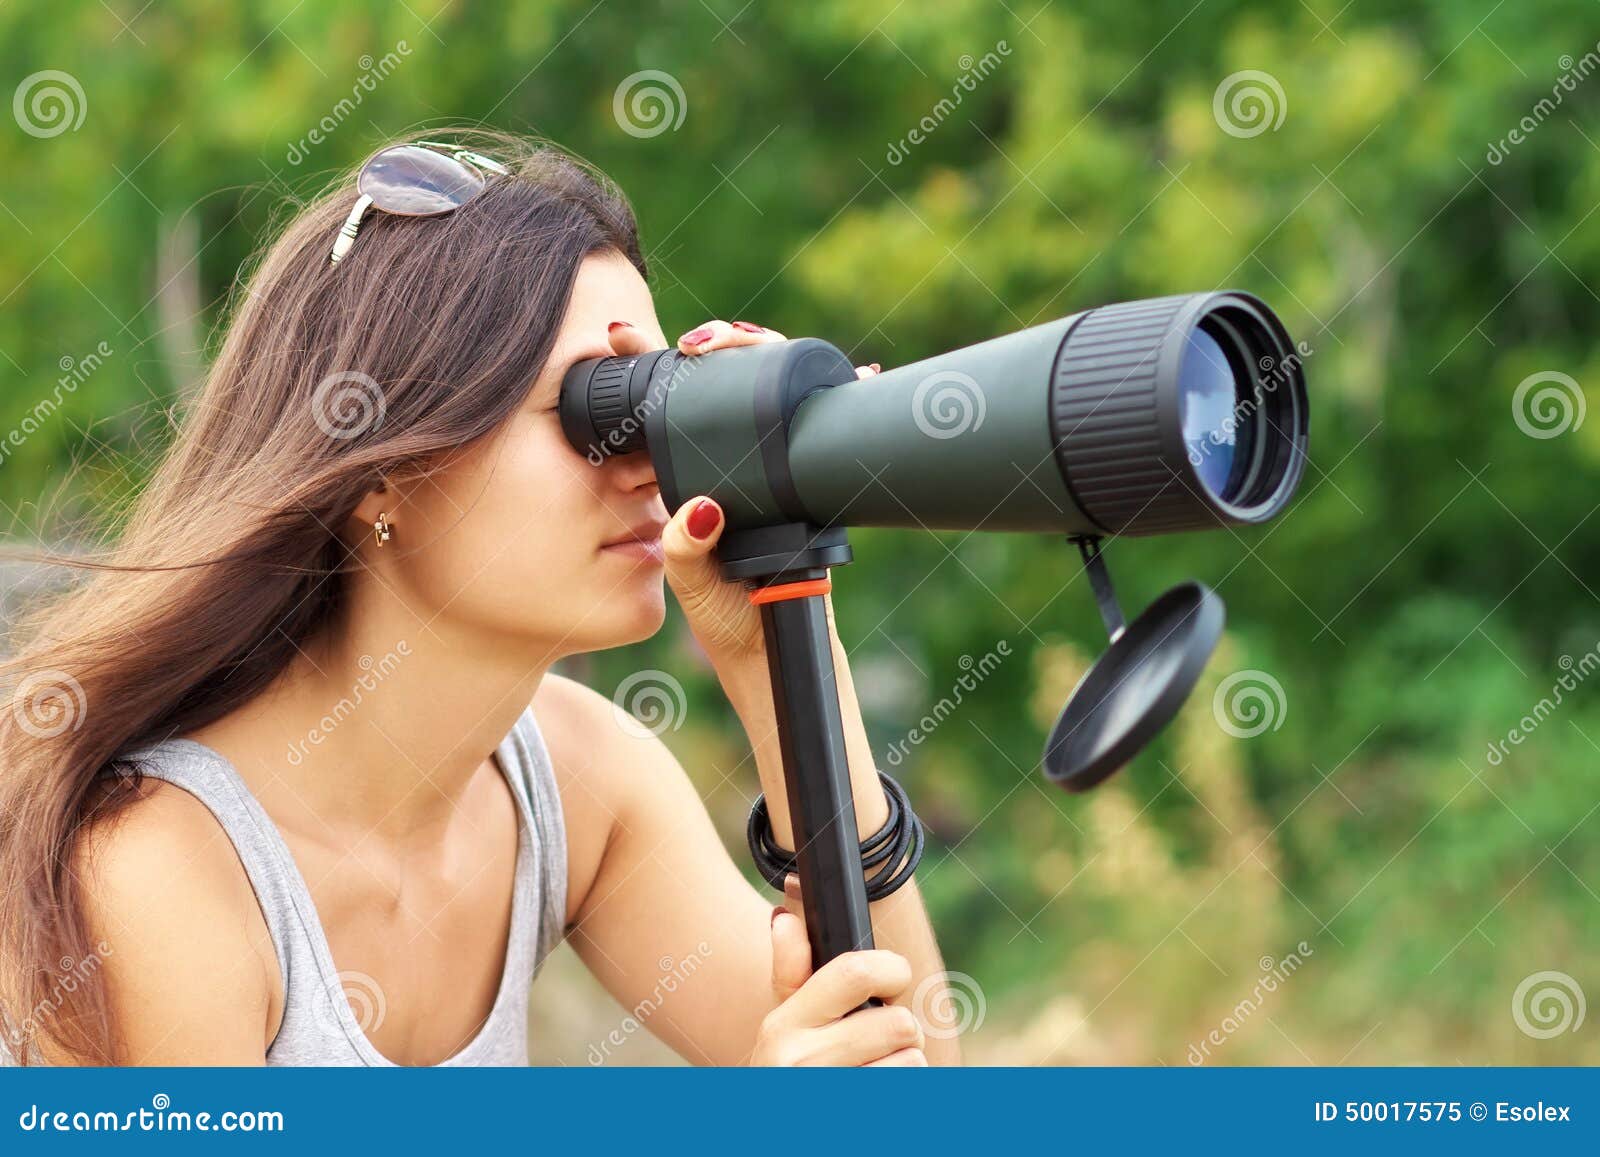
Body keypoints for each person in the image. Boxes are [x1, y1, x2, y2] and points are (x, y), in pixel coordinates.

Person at [0, 129, 954, 1067]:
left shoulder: (581, 781)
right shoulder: (158, 871)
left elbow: (918, 1105)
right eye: (591, 410)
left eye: (659, 404)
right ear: (380, 477)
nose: (645, 467)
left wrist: (786, 649)